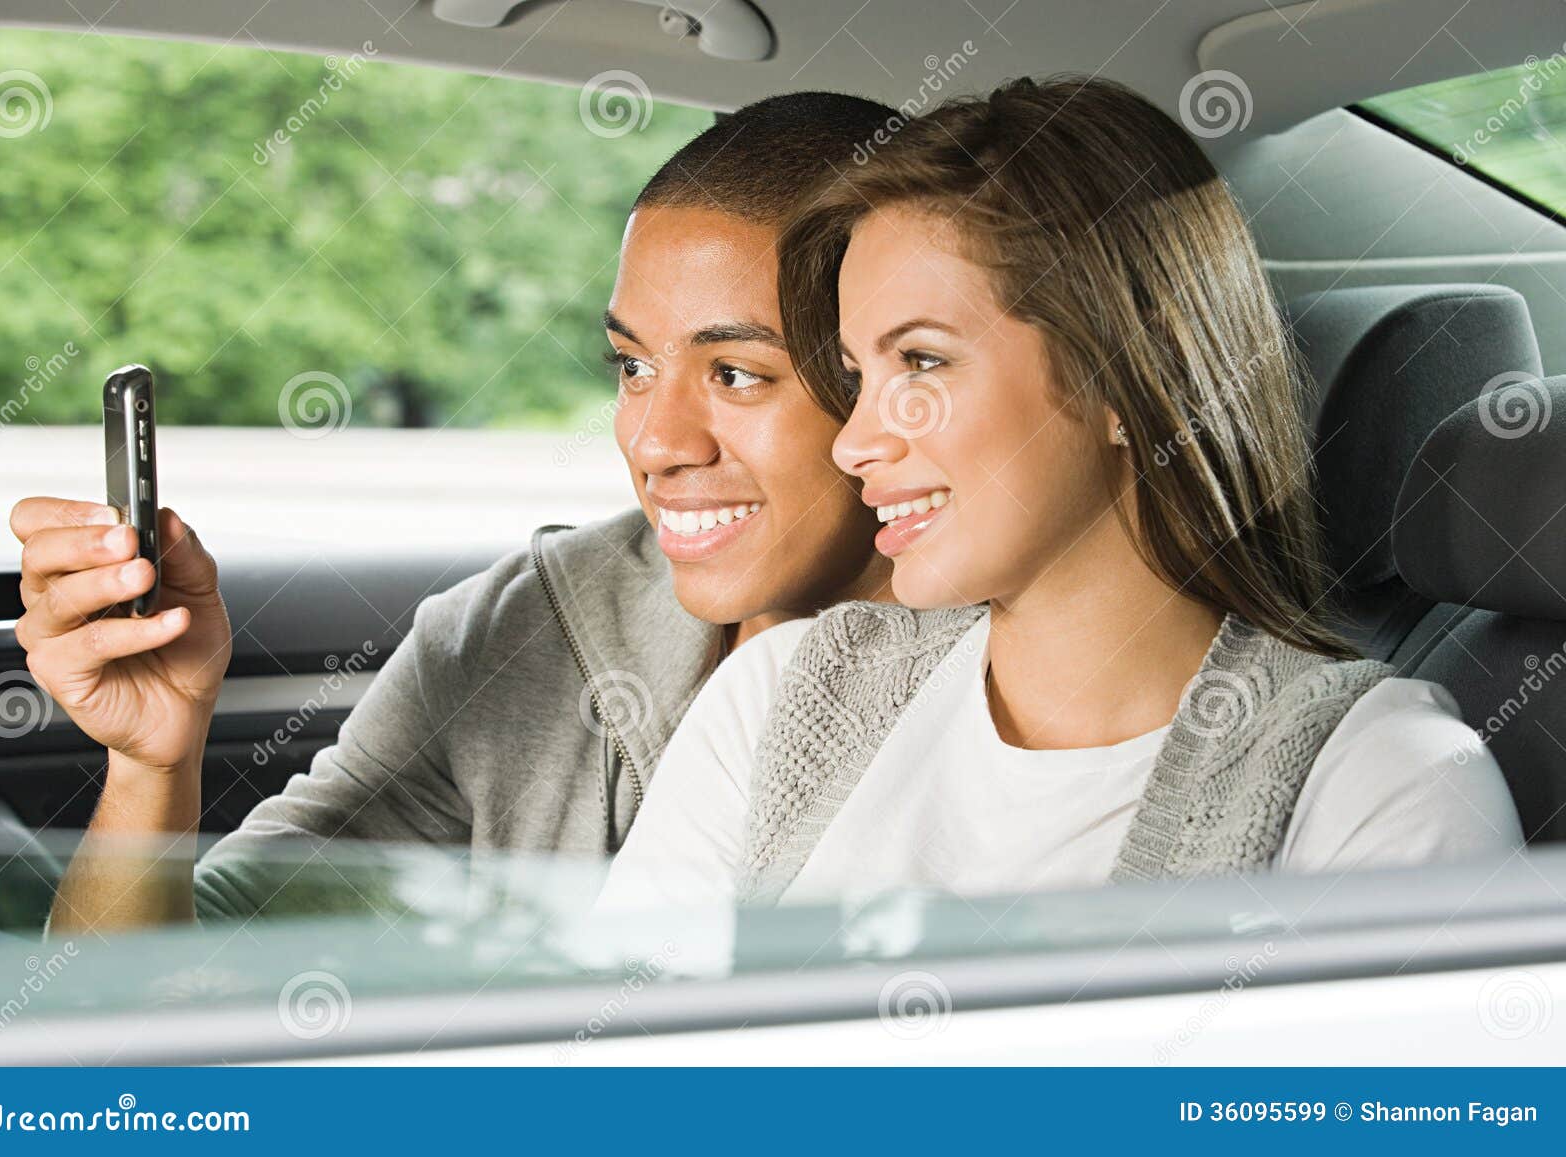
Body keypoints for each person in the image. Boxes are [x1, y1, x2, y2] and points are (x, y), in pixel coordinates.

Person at [596, 77, 1523, 912]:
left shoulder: (1381, 789)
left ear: (1129, 375)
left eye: (920, 360)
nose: (856, 440)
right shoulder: (779, 704)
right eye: (856, 374)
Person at [19, 92, 898, 932]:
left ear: (891, 384)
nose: (655, 442)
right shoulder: (520, 629)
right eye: (632, 366)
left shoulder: (1007, 685)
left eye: (736, 373)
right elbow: (169, 1000)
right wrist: (150, 769)